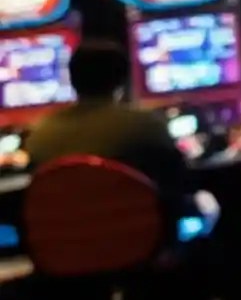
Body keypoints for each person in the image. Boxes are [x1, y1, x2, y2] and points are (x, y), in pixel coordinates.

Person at [25, 40, 217, 233]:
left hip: (67, 248)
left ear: (71, 80)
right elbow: (181, 181)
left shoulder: (41, 133)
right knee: (206, 204)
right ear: (122, 81)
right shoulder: (144, 124)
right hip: (140, 242)